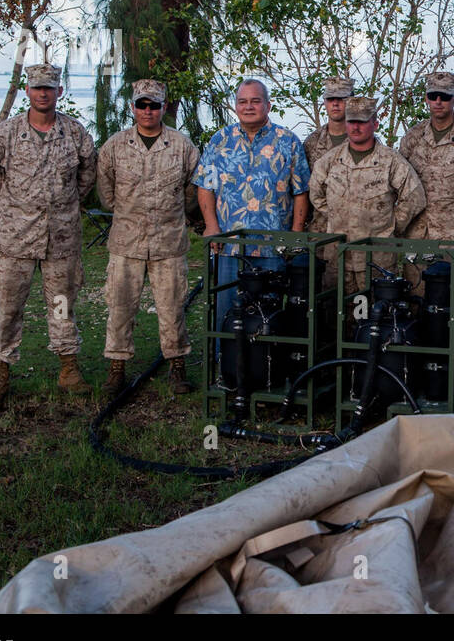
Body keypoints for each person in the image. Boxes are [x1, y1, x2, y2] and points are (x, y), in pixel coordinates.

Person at [0, 64, 97, 405]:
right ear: (28, 91)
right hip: (16, 240)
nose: (43, 93)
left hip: (61, 241)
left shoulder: (74, 133)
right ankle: (0, 374)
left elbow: (88, 174)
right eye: (38, 87)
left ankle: (68, 369)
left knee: (61, 306)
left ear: (59, 92)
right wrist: (13, 202)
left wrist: (66, 203)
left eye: (50, 88)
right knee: (9, 308)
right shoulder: (8, 133)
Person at [95, 79, 200, 399]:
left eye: (154, 105)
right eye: (142, 104)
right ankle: (117, 367)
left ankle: (177, 366)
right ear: (132, 107)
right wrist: (129, 213)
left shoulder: (182, 146)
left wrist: (172, 214)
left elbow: (193, 191)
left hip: (169, 241)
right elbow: (105, 192)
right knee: (120, 306)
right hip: (126, 241)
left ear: (164, 107)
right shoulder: (114, 146)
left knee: (172, 307)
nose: (148, 110)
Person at [194, 78, 312, 345]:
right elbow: (205, 188)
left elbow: (301, 192)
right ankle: (225, 371)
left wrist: (295, 235)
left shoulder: (288, 141)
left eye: (255, 101)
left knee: (270, 315)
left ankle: (267, 372)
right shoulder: (220, 140)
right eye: (242, 101)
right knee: (227, 312)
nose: (249, 107)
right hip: (230, 248)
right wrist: (212, 227)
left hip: (273, 248)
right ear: (235, 106)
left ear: (268, 105)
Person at [308, 96, 426, 296]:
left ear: (375, 123)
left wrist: (391, 225)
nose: (356, 127)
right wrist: (337, 215)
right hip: (338, 255)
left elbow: (415, 197)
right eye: (351, 121)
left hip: (376, 258)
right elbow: (316, 194)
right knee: (335, 315)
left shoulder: (390, 160)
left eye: (362, 122)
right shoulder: (330, 161)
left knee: (376, 317)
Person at [398, 71, 454, 327]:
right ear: (426, 99)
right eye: (433, 96)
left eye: (444, 97)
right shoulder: (412, 138)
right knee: (416, 299)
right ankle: (417, 363)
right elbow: (400, 181)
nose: (438, 102)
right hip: (417, 235)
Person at [303, 76, 353, 237]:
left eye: (341, 98)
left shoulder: (365, 142)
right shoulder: (312, 142)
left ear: (351, 101)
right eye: (331, 99)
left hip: (354, 233)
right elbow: (303, 188)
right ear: (325, 102)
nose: (335, 103)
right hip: (318, 232)